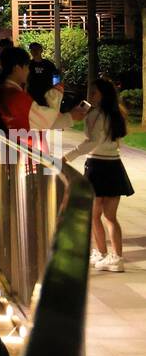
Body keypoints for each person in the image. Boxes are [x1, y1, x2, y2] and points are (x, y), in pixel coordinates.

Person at [64, 77, 135, 273]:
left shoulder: (96, 114)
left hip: (97, 165)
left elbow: (92, 141)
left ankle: (103, 253)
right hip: (114, 165)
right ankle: (115, 257)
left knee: (95, 215)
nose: (90, 96)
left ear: (103, 94)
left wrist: (68, 156)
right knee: (110, 216)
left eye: (94, 93)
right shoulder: (116, 113)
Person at [0, 46, 84, 146]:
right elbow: (46, 121)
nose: (28, 71)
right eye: (26, 67)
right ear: (17, 68)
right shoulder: (17, 98)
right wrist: (67, 111)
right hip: (17, 153)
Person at [26, 41, 58, 107]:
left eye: (36, 49)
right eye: (32, 50)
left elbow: (56, 77)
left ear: (41, 50)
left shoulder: (48, 64)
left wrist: (55, 90)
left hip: (46, 95)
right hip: (32, 95)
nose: (34, 52)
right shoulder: (28, 65)